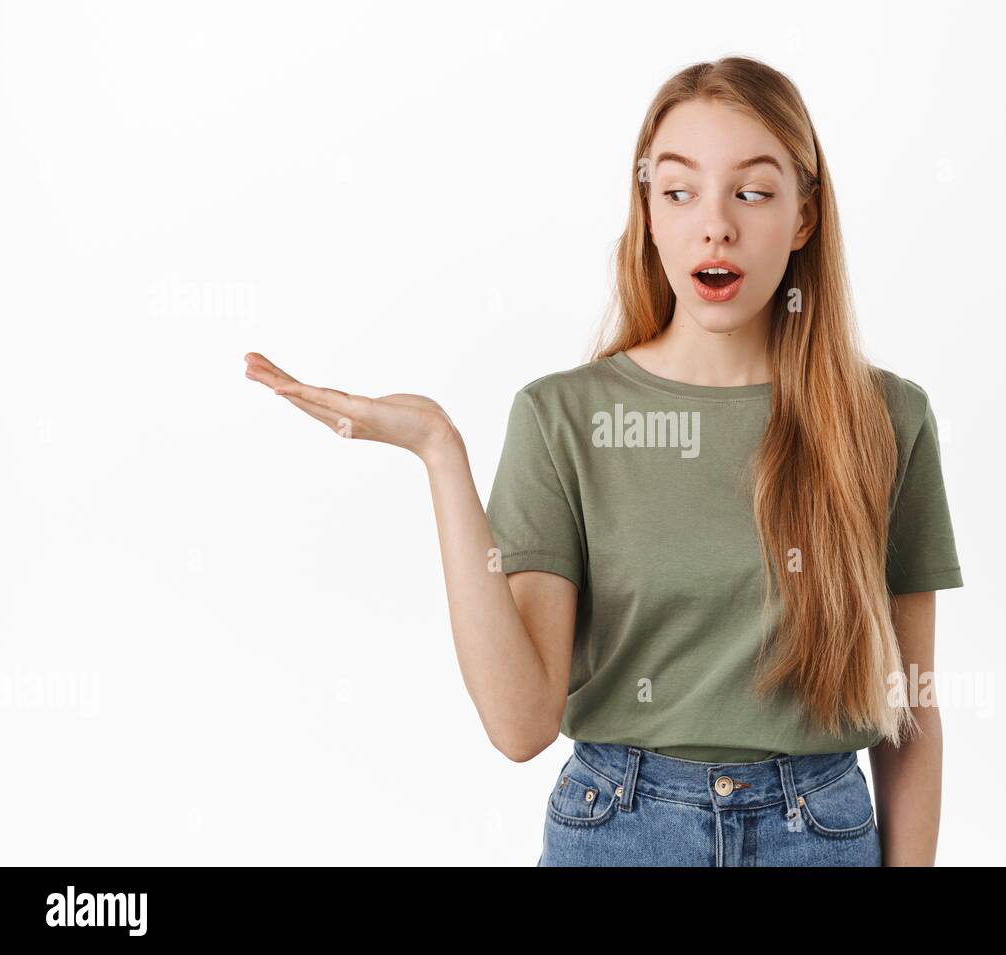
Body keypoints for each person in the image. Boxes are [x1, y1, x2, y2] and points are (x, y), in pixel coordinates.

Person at [244, 55, 963, 867]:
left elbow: (911, 714)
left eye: (753, 191)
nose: (715, 225)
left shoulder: (887, 421)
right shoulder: (564, 419)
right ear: (649, 214)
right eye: (680, 192)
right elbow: (520, 727)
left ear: (804, 217)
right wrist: (440, 454)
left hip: (821, 834)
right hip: (620, 831)